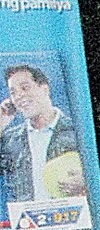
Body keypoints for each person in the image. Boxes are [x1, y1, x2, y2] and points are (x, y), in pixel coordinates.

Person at [0, 63, 84, 204]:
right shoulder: (11, 139)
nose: (19, 96)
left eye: (25, 88)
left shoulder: (76, 130)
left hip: (72, 214)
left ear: (45, 89)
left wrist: (86, 181)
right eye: (13, 92)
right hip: (27, 216)